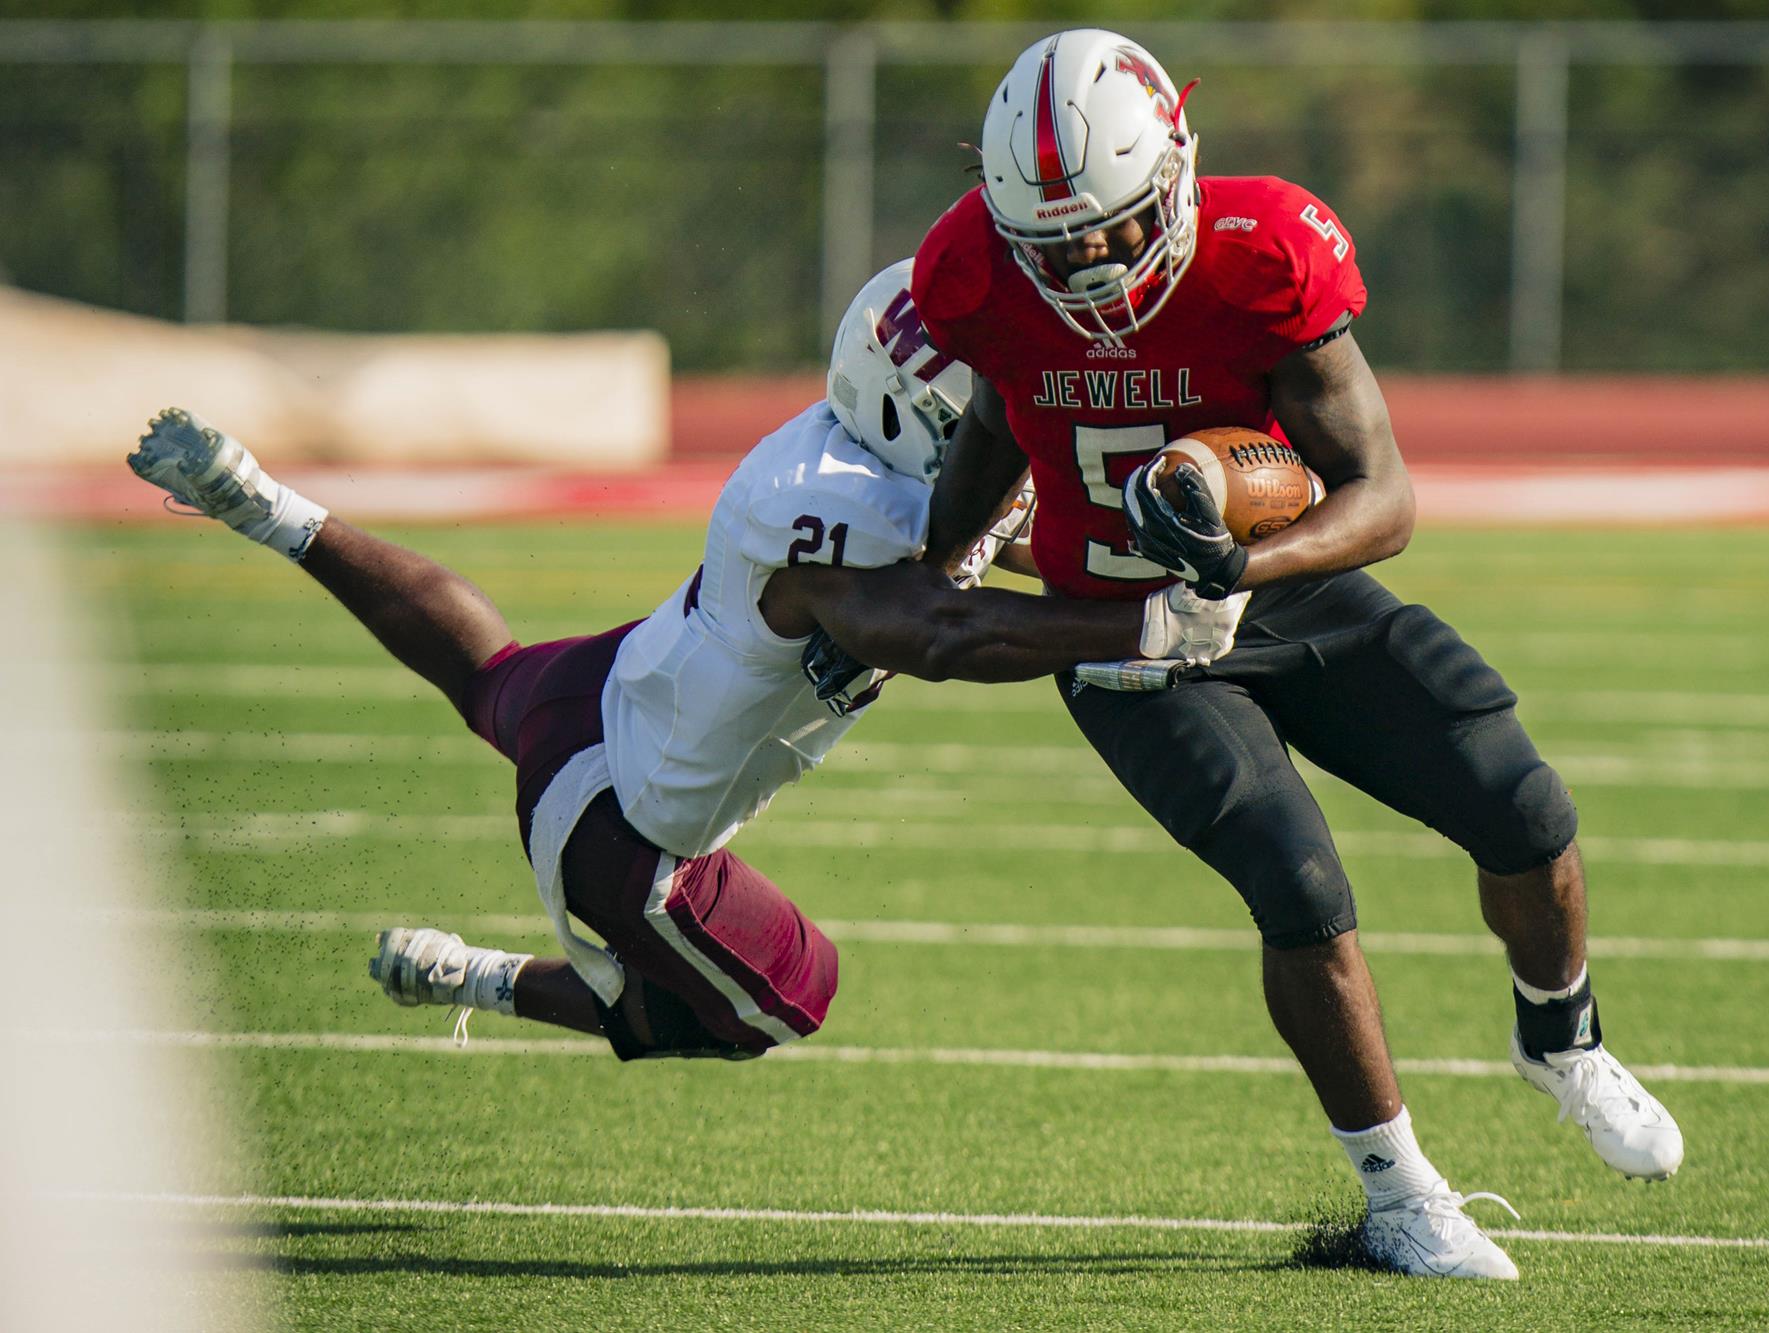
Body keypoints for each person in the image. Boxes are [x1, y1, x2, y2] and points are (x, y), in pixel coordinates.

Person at [911, 29, 1682, 1280]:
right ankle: (1398, 1197)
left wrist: (1244, 566)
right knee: (1299, 883)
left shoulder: (1260, 251)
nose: (1090, 265)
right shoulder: (973, 277)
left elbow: (1381, 494)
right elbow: (1001, 405)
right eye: (1053, 249)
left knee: (1524, 807)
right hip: (1122, 635)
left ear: (1176, 173)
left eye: (1107, 229)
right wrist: (941, 556)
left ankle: (1562, 1037)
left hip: (1278, 592)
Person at [126, 259, 1248, 1063]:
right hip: (626, 826)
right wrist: (1140, 625)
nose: (1006, 444)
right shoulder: (845, 513)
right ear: (920, 417)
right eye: (986, 425)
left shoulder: (839, 462)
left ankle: (269, 507)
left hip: (605, 683)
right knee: (777, 1003)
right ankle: (476, 975)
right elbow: (946, 634)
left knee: (484, 670)